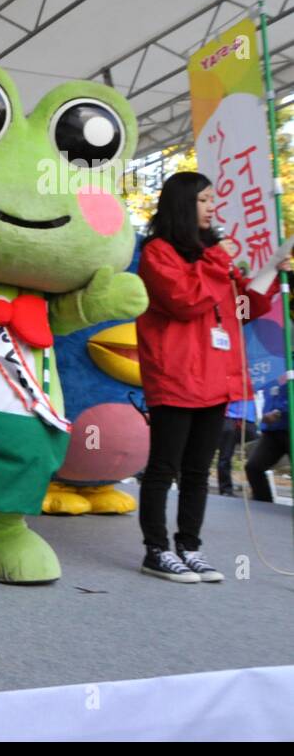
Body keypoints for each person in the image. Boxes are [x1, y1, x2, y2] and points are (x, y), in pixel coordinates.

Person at [136, 171, 288, 583]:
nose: (212, 207)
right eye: (205, 200)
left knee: (197, 470)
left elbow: (243, 309)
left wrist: (271, 272)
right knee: (164, 466)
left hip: (215, 378)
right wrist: (216, 260)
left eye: (213, 200)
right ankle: (156, 550)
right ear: (184, 204)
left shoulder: (213, 257)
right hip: (176, 376)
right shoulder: (158, 252)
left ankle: (189, 546)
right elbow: (185, 301)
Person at [245, 381, 290, 502]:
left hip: (289, 425)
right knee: (253, 467)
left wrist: (279, 412)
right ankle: (264, 503)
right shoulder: (268, 369)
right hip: (272, 430)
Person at [216, 400, 257, 496]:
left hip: (248, 421)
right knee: (225, 457)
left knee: (257, 459)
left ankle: (257, 490)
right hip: (230, 418)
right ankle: (226, 490)